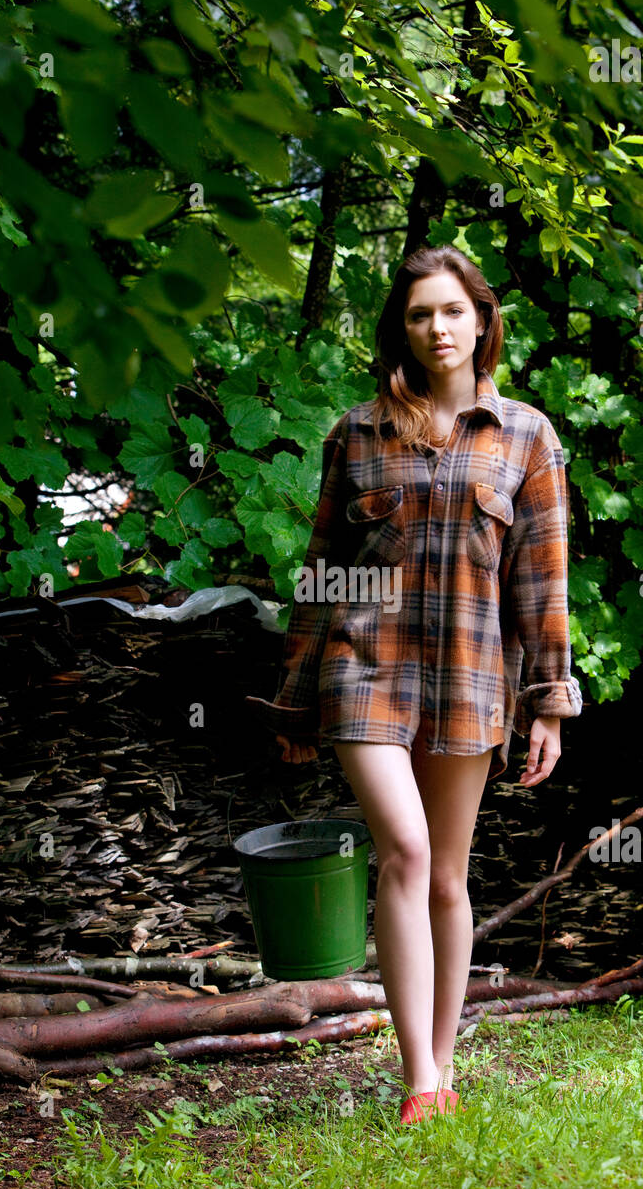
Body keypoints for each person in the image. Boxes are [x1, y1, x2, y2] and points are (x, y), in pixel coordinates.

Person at [246, 244, 583, 1124]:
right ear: (402, 330)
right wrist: (294, 697)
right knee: (404, 848)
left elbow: (543, 583)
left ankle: (442, 1059)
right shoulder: (358, 433)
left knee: (447, 877)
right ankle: (418, 1080)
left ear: (482, 321)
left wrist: (549, 702)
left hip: (472, 677)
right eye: (419, 314)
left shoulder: (528, 439)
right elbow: (322, 571)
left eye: (452, 311)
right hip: (368, 670)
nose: (438, 328)